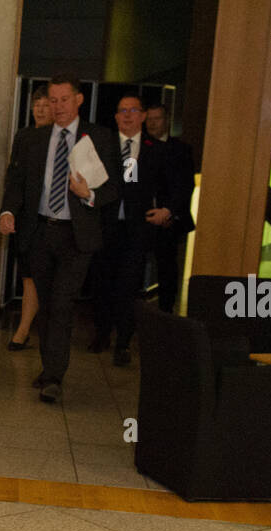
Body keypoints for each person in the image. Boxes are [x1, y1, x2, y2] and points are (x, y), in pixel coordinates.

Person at [0, 75, 121, 402]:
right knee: (48, 307)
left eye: (64, 100)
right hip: (39, 232)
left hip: (75, 237)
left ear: (79, 100)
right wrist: (7, 211)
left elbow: (113, 189)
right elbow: (16, 182)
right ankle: (48, 367)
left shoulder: (100, 138)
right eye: (53, 101)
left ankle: (54, 376)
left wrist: (89, 194)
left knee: (63, 304)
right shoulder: (32, 140)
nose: (58, 107)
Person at [91, 94, 175, 366]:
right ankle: (101, 333)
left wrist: (167, 210)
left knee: (129, 286)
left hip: (137, 229)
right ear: (115, 117)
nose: (127, 115)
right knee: (102, 282)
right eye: (121, 110)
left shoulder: (156, 150)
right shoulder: (104, 147)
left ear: (142, 116)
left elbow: (172, 188)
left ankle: (124, 342)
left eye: (133, 110)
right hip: (106, 226)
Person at [7, 85, 52, 351]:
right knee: (28, 276)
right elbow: (15, 177)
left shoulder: (61, 138)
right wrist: (9, 211)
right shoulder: (23, 136)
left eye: (46, 104)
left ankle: (28, 329)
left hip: (50, 218)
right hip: (26, 219)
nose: (41, 109)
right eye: (37, 104)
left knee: (42, 278)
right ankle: (23, 329)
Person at [143, 102, 195, 312]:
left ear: (167, 121)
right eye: (150, 119)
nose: (153, 123)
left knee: (167, 268)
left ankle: (166, 311)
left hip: (168, 220)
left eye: (157, 119)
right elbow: (128, 182)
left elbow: (185, 186)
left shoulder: (181, 150)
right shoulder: (137, 146)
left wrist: (169, 211)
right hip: (141, 218)